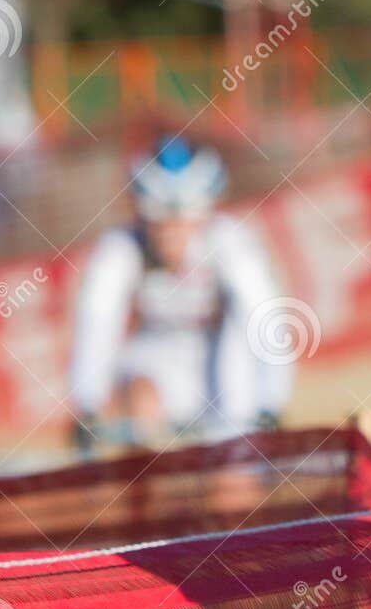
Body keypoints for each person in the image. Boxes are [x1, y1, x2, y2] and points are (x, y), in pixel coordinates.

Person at [68, 136, 290, 455]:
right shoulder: (120, 247)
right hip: (156, 360)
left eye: (181, 223)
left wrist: (271, 402)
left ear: (200, 217)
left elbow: (265, 315)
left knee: (235, 454)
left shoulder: (231, 242)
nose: (171, 232)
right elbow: (97, 320)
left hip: (221, 362)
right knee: (139, 401)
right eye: (160, 224)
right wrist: (88, 403)